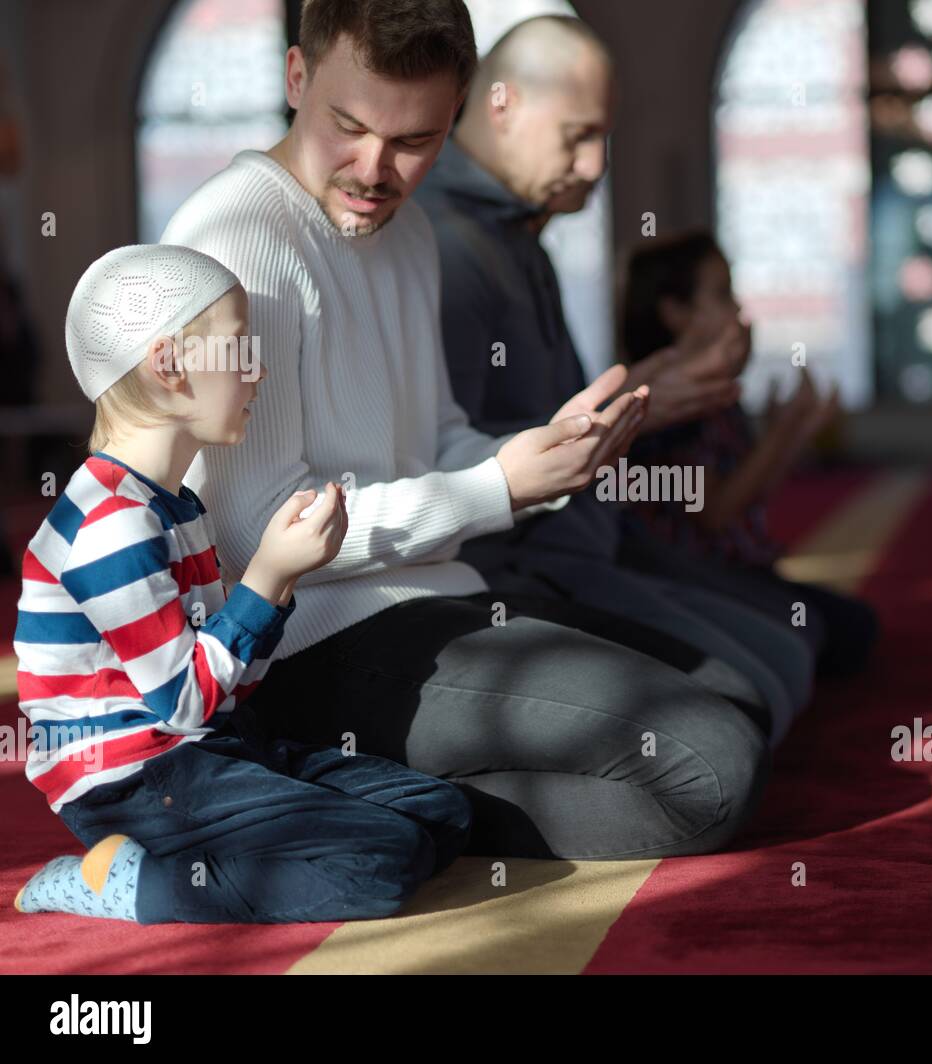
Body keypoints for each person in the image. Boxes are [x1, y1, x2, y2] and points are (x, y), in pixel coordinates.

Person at [162, 0, 769, 860]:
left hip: (435, 596)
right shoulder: (240, 235)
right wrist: (495, 487)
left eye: (415, 141)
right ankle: (324, 792)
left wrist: (543, 455)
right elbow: (256, 530)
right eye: (349, 126)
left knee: (740, 701)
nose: (376, 169)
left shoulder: (408, 235)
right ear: (296, 78)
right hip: (300, 645)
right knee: (713, 771)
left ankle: (366, 797)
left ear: (455, 119)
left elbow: (437, 440)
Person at [13, 244, 471, 924]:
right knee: (380, 863)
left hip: (210, 744)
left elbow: (231, 685)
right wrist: (270, 573)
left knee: (441, 814)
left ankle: (211, 858)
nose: (256, 372)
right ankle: (126, 883)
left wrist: (277, 586)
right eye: (238, 349)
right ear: (167, 365)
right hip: (137, 779)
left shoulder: (174, 506)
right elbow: (183, 703)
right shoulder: (111, 526)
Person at [414, 14, 815, 745]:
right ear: (503, 106)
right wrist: (633, 415)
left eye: (603, 136)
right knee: (752, 700)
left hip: (583, 544)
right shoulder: (450, 246)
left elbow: (539, 417)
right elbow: (447, 467)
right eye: (578, 135)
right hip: (518, 575)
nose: (598, 166)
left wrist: (640, 402)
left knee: (789, 660)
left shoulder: (513, 233)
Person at [622, 231, 879, 677]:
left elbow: (750, 494)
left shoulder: (718, 393)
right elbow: (715, 512)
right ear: (675, 312)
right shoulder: (670, 403)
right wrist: (781, 434)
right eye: (722, 294)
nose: (739, 309)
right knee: (832, 631)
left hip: (739, 569)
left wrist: (794, 434)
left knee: (849, 625)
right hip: (693, 578)